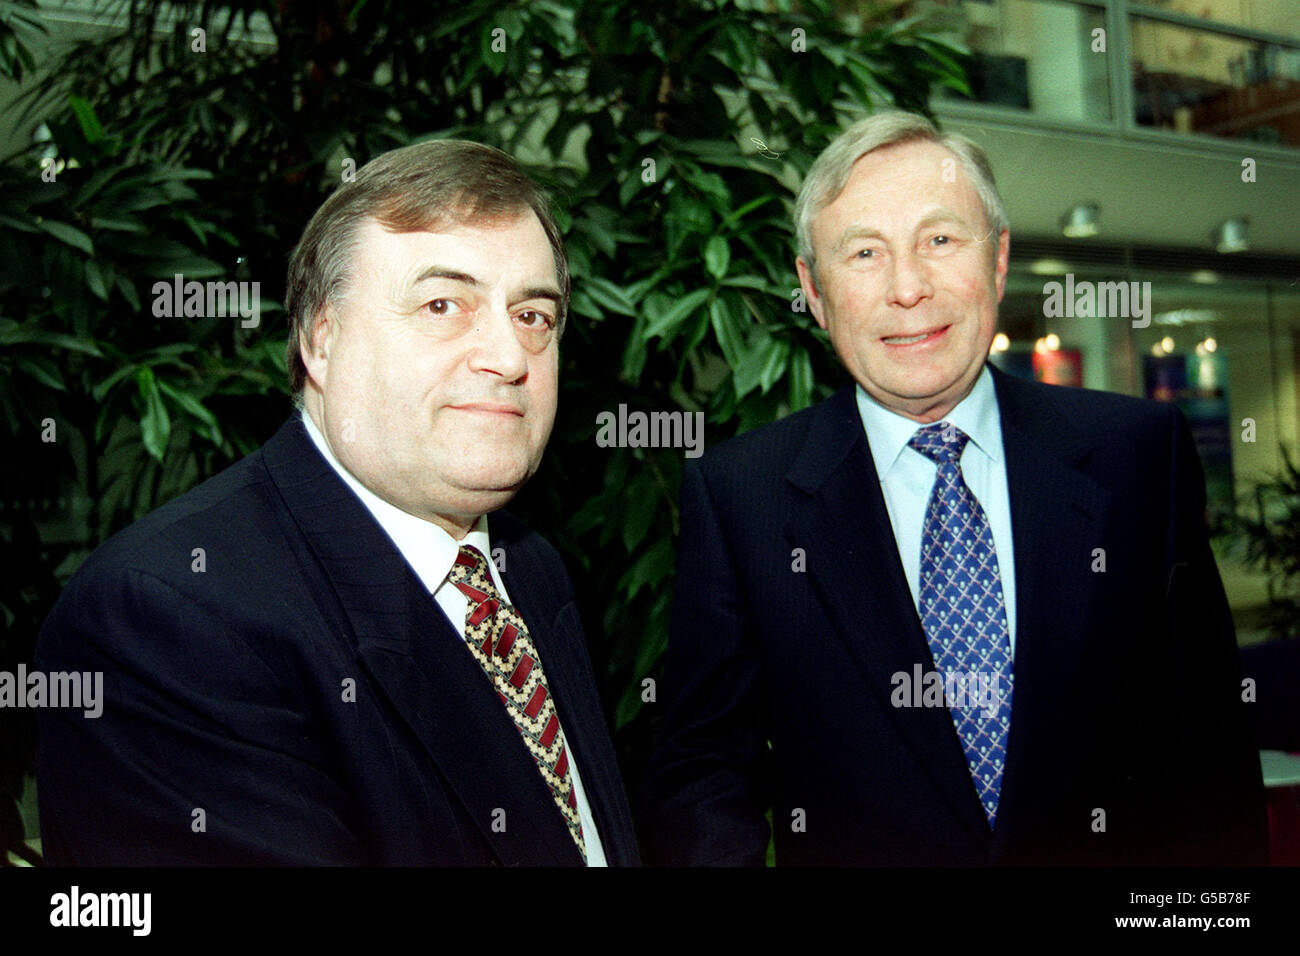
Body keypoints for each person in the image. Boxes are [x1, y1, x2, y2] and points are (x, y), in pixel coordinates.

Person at [642, 111, 1268, 866]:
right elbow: (704, 770)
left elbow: (1206, 751)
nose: (908, 288)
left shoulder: (1137, 457)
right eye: (864, 252)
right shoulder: (741, 496)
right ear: (813, 289)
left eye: (941, 240)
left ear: (999, 260)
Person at [34, 140, 639, 866]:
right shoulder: (169, 617)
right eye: (444, 304)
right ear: (321, 341)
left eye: (535, 316)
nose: (510, 358)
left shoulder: (529, 571)